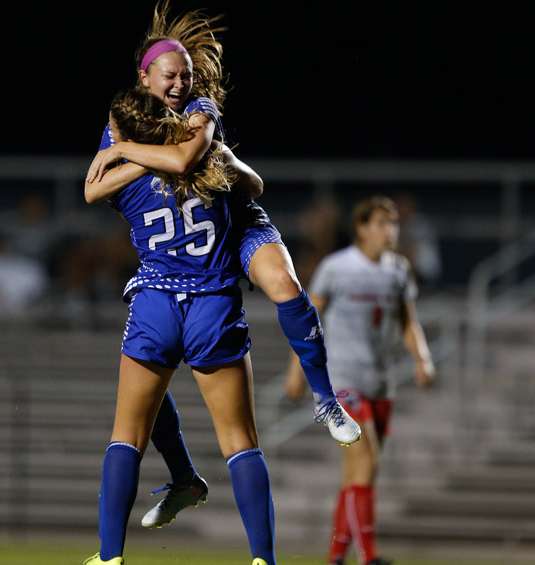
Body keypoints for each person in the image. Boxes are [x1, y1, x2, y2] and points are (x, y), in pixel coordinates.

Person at [85, 0, 360, 531]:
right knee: (151, 380)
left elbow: (183, 162)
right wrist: (134, 153)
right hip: (183, 252)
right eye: (172, 75)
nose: (182, 83)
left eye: (186, 74)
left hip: (232, 223)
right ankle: (185, 477)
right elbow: (93, 190)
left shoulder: (198, 110)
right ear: (145, 76)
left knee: (283, 282)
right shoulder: (126, 121)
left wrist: (130, 153)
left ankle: (327, 401)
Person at [82, 85, 276, 565]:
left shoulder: (122, 180)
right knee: (240, 442)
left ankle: (110, 558)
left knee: (126, 433)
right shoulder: (210, 162)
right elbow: (251, 187)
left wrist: (123, 148)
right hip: (213, 303)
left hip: (156, 304)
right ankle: (262, 560)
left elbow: (93, 187)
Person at [284, 195, 436, 565]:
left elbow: (407, 321)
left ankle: (335, 558)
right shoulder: (336, 268)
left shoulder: (398, 270)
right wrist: (296, 371)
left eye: (394, 223)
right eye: (382, 223)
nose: (390, 231)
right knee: (365, 463)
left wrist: (423, 358)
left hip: (381, 382)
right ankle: (369, 558)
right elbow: (307, 321)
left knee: (359, 473)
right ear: (362, 229)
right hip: (343, 381)